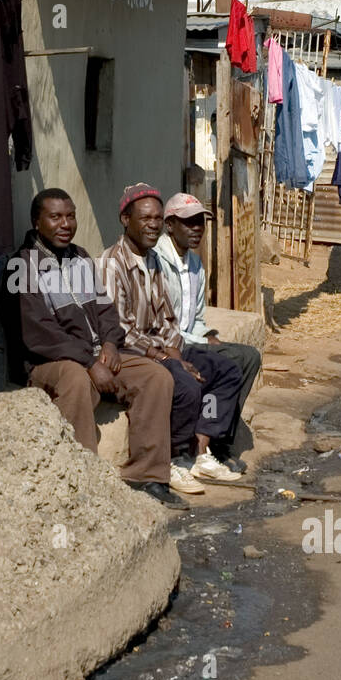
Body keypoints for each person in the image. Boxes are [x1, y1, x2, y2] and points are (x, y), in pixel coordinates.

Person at [10, 187, 190, 510]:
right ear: (37, 222)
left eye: (71, 216)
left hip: (97, 355)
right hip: (50, 362)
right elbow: (38, 332)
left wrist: (110, 343)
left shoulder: (80, 257)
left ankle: (147, 477)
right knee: (75, 379)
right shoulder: (22, 266)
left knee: (156, 376)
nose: (65, 224)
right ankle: (81, 482)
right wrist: (90, 360)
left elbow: (107, 310)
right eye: (55, 217)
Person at [101, 184, 244, 485]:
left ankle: (200, 452)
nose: (153, 225)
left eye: (156, 218)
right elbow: (119, 329)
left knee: (226, 370)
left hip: (163, 350)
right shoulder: (113, 263)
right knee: (184, 386)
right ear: (126, 220)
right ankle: (174, 457)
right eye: (146, 219)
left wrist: (176, 353)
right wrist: (168, 358)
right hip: (135, 354)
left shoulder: (153, 260)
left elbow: (168, 318)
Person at [154, 192, 262, 474]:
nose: (197, 229)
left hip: (192, 339)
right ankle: (206, 446)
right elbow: (166, 326)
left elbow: (196, 318)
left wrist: (208, 335)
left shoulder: (195, 265)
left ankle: (218, 437)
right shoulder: (157, 262)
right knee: (226, 365)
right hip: (171, 346)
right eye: (189, 223)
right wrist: (202, 340)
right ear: (170, 225)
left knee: (249, 357)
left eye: (201, 222)